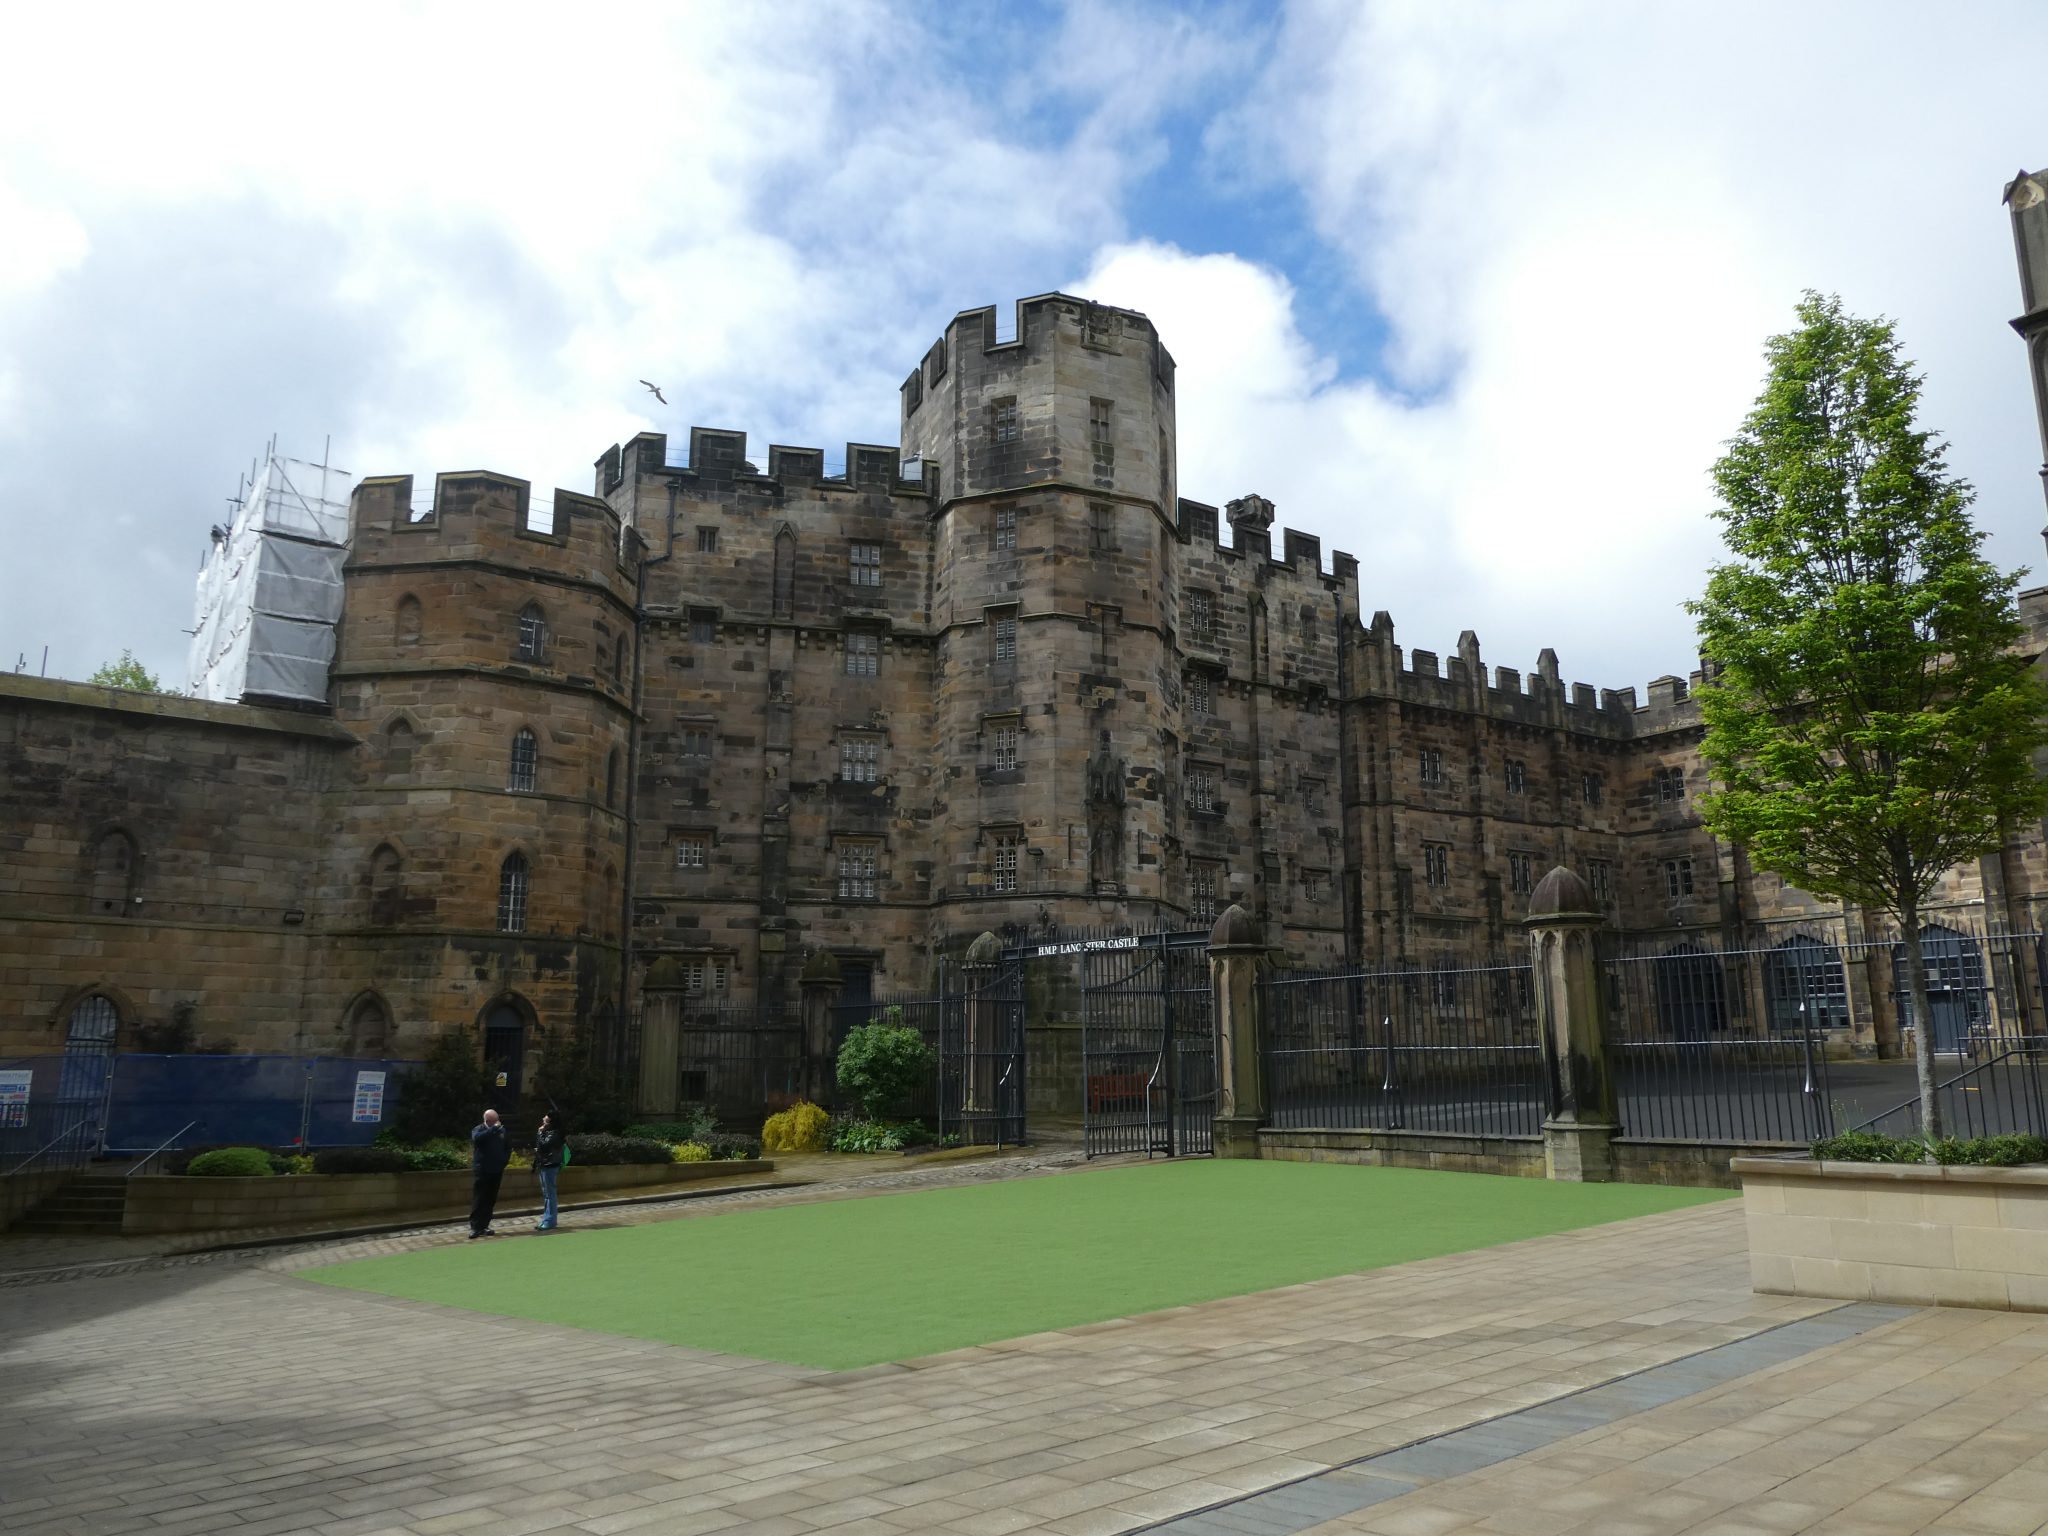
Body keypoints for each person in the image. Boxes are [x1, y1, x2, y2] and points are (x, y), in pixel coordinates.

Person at [469, 1107, 510, 1239]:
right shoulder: (479, 1129)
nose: (498, 1122)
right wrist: (492, 1129)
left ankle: (485, 1225)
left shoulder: (502, 1130)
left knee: (490, 1199)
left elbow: (507, 1147)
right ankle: (475, 1227)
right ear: (488, 1120)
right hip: (482, 1170)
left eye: (497, 1120)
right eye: (494, 1120)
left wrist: (504, 1161)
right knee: (480, 1198)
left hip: (496, 1170)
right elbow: (477, 1139)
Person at [533, 1112, 564, 1232]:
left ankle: (550, 1221)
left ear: (551, 1122)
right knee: (547, 1194)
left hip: (550, 1165)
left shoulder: (554, 1133)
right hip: (544, 1164)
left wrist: (540, 1133)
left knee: (550, 1194)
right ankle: (547, 1219)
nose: (543, 1120)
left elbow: (545, 1145)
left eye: (545, 1119)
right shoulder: (549, 1132)